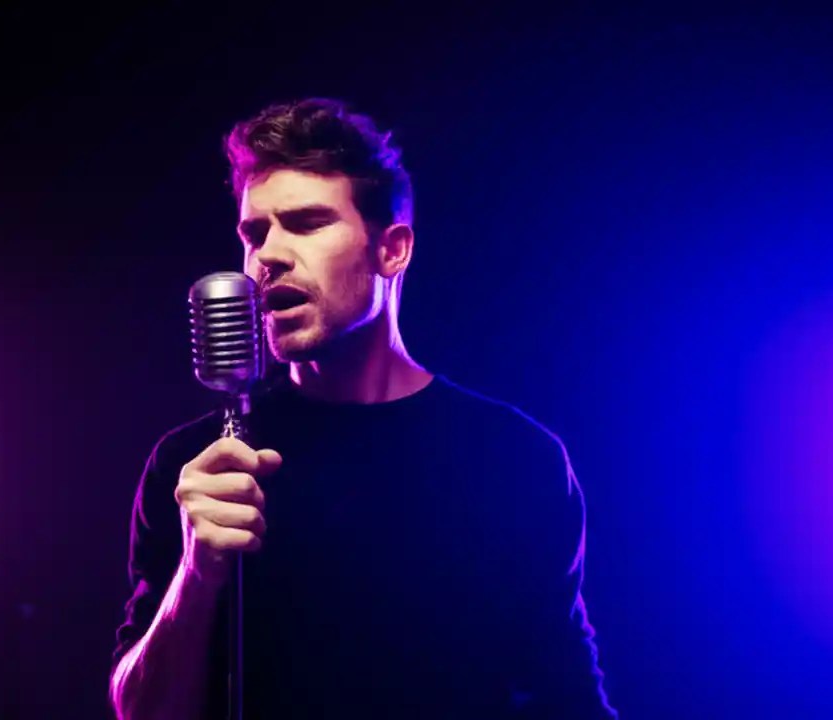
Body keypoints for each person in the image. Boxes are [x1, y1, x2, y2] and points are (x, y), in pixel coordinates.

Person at [109, 97, 617, 719]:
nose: (267, 256)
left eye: (307, 223)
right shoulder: (198, 466)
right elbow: (140, 712)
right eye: (254, 233)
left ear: (392, 250)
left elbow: (567, 698)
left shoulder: (512, 460)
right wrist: (197, 572)